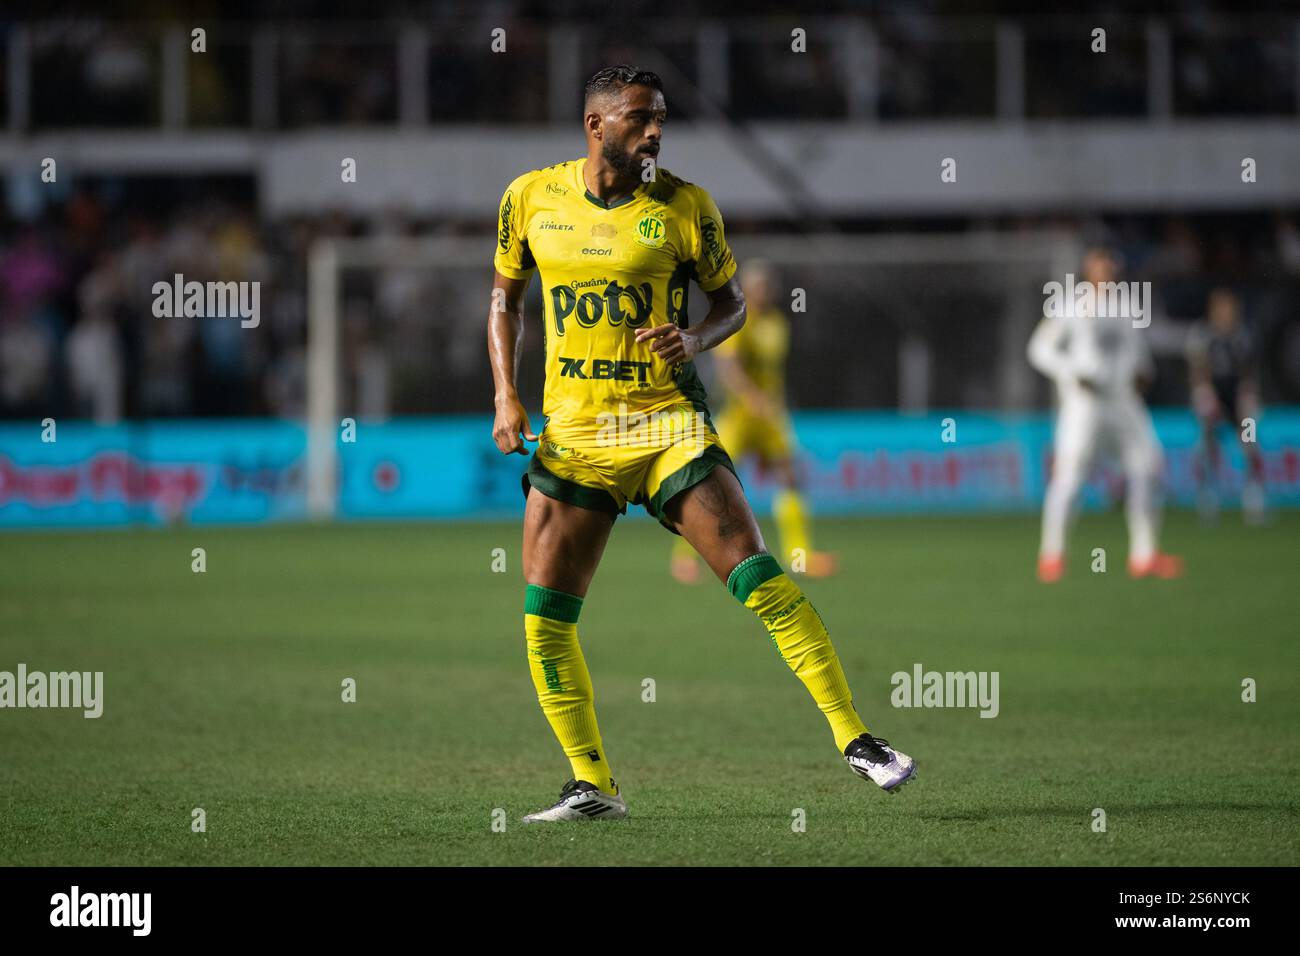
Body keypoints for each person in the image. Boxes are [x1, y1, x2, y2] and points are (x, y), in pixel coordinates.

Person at [487, 65, 916, 823]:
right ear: (596, 126)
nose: (654, 131)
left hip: (665, 427)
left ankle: (857, 737)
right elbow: (504, 299)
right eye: (639, 118)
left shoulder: (685, 207)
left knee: (759, 576)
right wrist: (504, 392)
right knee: (546, 621)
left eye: (661, 118)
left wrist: (693, 335)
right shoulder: (529, 198)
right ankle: (592, 785)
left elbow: (732, 304)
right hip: (576, 436)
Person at [669, 259, 837, 584]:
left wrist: (770, 403)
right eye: (759, 287)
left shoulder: (777, 323)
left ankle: (799, 554)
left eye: (768, 287)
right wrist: (752, 397)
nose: (765, 292)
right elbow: (730, 369)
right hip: (740, 415)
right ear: (747, 289)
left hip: (770, 415)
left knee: (790, 476)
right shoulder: (736, 323)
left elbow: (772, 371)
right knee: (708, 485)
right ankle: (685, 558)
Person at [1027, 246, 1182, 582]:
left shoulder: (1126, 304)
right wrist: (1071, 372)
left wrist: (1144, 371)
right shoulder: (1071, 304)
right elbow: (1039, 349)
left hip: (1123, 400)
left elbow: (1135, 350)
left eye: (1110, 261)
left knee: (1148, 466)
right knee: (1069, 476)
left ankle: (1144, 554)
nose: (1106, 268)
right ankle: (1052, 555)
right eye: (1099, 262)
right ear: (1088, 267)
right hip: (1085, 402)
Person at [1186, 288, 1265, 523]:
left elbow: (1249, 369)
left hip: (1239, 395)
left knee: (1250, 443)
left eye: (1229, 308)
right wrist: (1204, 393)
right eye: (1221, 308)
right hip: (1213, 394)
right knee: (1207, 443)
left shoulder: (1244, 335)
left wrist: (1248, 396)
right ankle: (1208, 497)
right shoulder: (1201, 334)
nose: (1225, 313)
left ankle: (1254, 497)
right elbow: (1198, 369)